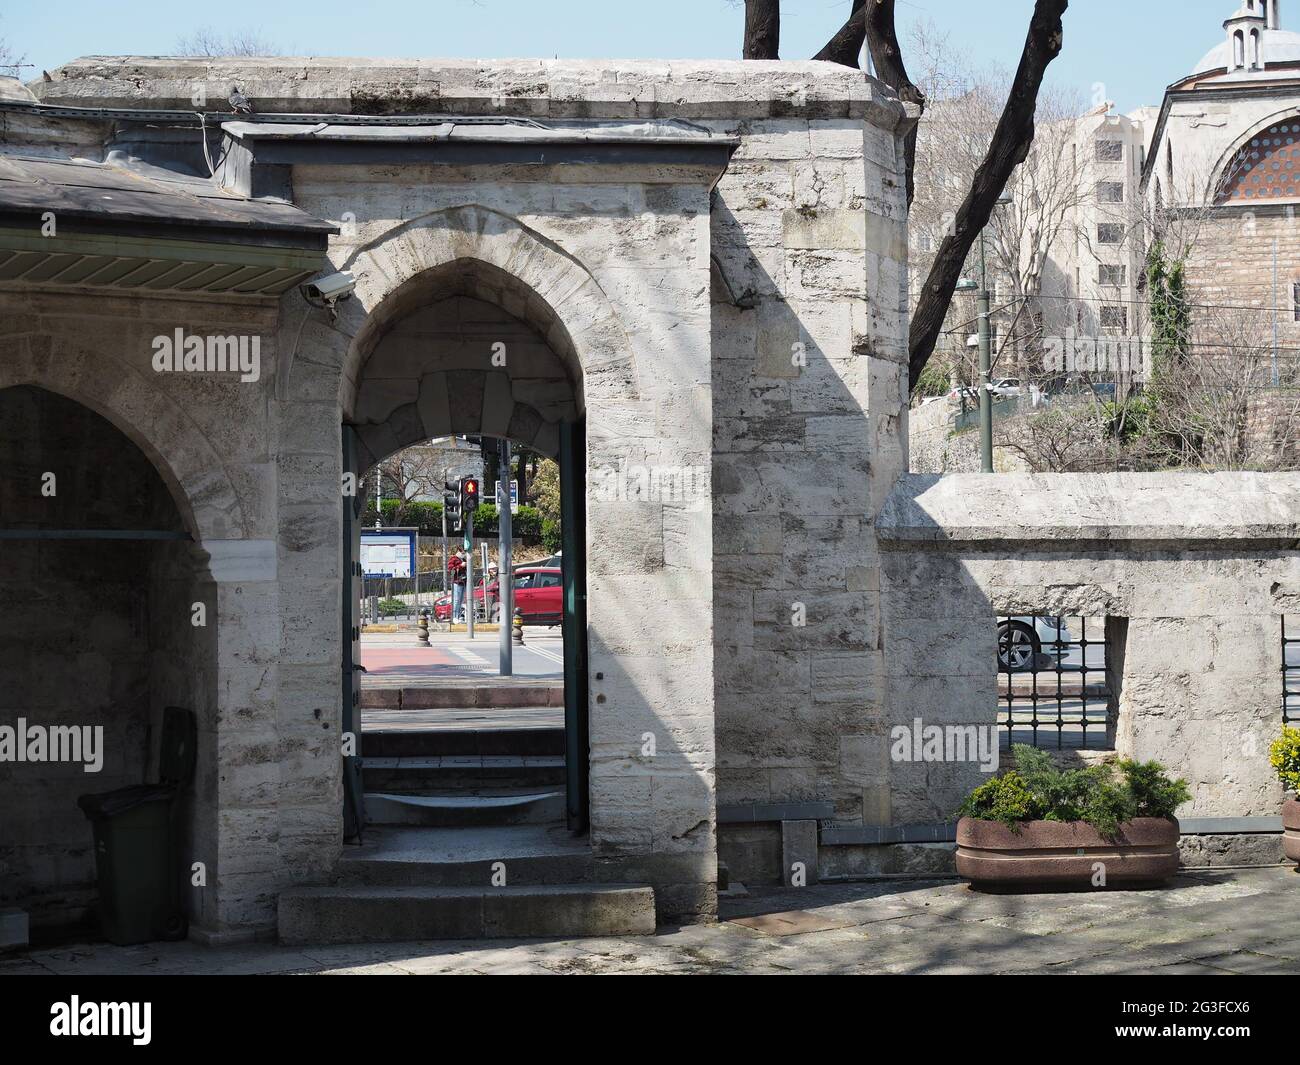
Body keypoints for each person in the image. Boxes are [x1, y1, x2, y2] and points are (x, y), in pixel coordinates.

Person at [448, 550, 467, 622]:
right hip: (456, 582)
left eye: (464, 553)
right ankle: (454, 617)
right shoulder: (453, 559)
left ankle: (458, 616)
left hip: (463, 582)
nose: (463, 554)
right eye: (462, 553)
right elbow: (451, 569)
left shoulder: (464, 559)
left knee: (461, 600)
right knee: (456, 600)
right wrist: (460, 566)